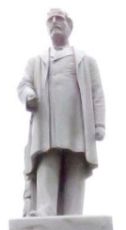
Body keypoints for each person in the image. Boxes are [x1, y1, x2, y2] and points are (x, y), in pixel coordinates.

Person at [18, 9, 105, 217]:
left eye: (59, 18)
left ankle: (73, 213)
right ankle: (45, 209)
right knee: (48, 161)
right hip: (47, 124)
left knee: (75, 164)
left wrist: (99, 124)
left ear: (69, 24)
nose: (54, 22)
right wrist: (28, 95)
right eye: (50, 19)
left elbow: (97, 92)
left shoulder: (86, 61)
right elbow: (23, 84)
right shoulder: (36, 61)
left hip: (77, 122)